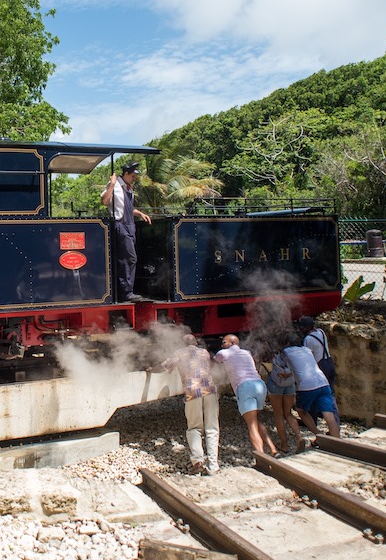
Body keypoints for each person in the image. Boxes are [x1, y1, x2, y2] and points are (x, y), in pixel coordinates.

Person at [162, 334, 220, 475]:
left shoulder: (179, 353)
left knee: (194, 428)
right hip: (210, 390)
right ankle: (213, 466)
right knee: (212, 428)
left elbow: (166, 366)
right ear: (196, 342)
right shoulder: (204, 352)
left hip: (192, 392)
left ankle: (198, 461)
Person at [214, 334, 278, 457]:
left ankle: (261, 457)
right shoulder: (247, 352)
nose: (222, 345)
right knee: (256, 420)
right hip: (259, 385)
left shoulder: (224, 353)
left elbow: (214, 361)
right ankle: (272, 448)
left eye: (224, 342)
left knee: (251, 425)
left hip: (245, 387)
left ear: (231, 343)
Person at [100, 162, 152, 302]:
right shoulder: (115, 185)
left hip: (130, 225)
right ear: (126, 174)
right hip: (120, 225)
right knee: (128, 258)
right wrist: (111, 184)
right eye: (133, 176)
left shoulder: (129, 189)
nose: (134, 178)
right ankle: (126, 292)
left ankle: (127, 290)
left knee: (129, 258)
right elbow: (104, 201)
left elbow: (128, 208)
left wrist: (140, 213)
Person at [281, 333, 340, 438]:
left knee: (301, 410)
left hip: (307, 386)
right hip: (323, 382)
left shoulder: (287, 352)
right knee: (329, 416)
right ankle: (337, 442)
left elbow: (282, 366)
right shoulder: (307, 350)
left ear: (287, 343)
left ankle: (319, 435)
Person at [265, 343, 305, 453]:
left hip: (275, 384)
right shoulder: (291, 354)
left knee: (278, 414)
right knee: (288, 413)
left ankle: (284, 444)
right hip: (290, 384)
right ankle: (299, 437)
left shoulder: (271, 354)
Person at [298, 315, 335, 390]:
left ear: (307, 327)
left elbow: (307, 358)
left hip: (321, 367)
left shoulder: (308, 339)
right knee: (330, 391)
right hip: (329, 363)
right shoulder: (321, 332)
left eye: (303, 328)